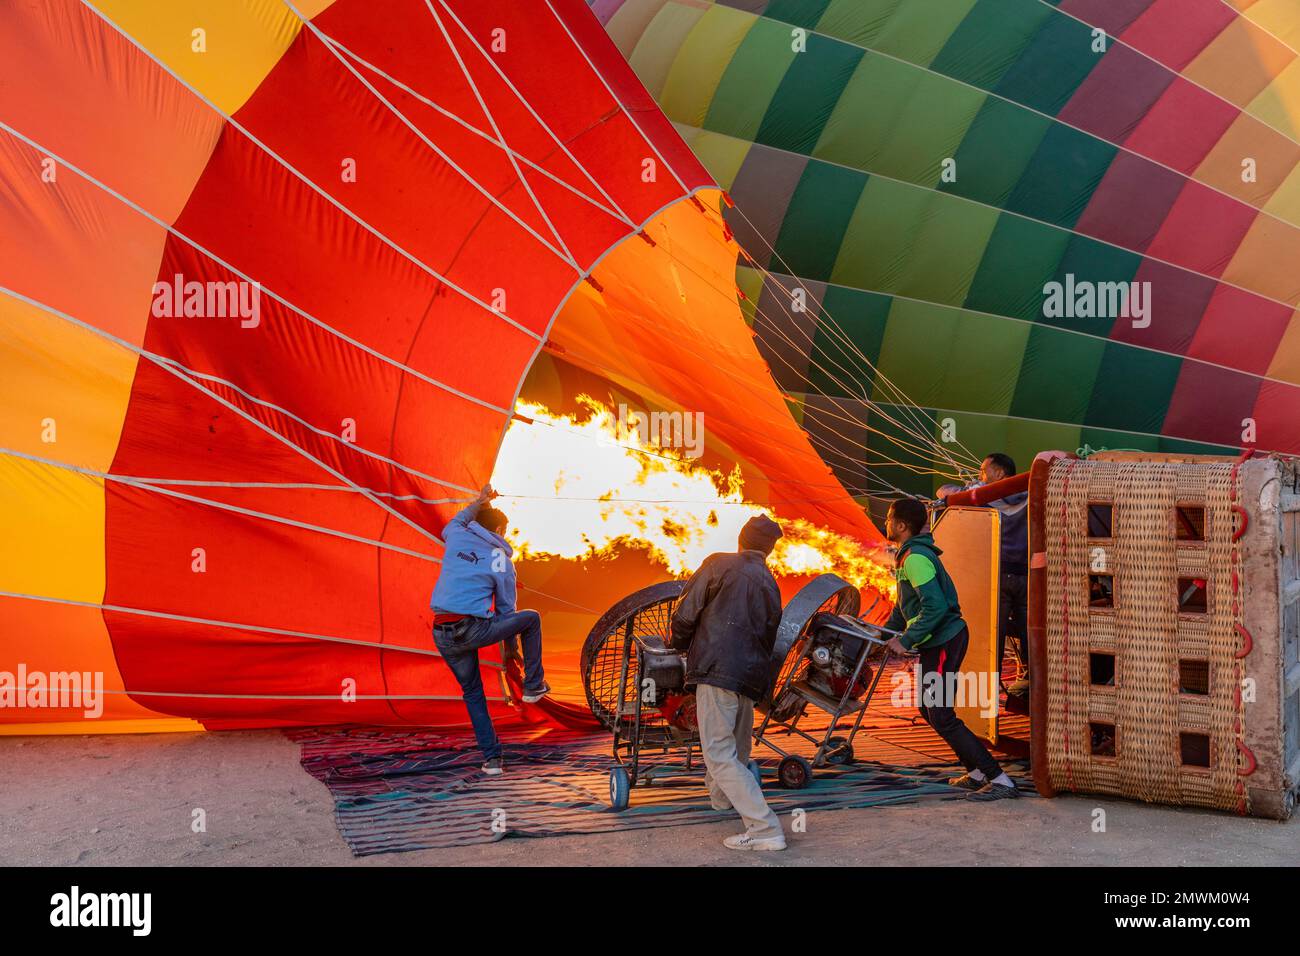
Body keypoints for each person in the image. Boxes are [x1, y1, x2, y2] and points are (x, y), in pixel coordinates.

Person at [882, 497, 1019, 801]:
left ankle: (999, 779)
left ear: (902, 526)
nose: (886, 523)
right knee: (927, 709)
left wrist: (904, 640)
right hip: (936, 641)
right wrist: (881, 633)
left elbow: (936, 607)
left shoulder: (915, 557)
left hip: (944, 641)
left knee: (941, 715)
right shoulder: (907, 556)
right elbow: (903, 608)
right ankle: (976, 773)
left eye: (890, 518)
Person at [670, 514, 787, 850]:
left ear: (740, 539)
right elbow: (770, 636)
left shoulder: (720, 564)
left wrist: (677, 644)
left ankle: (765, 830)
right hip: (750, 679)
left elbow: (686, 612)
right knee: (736, 750)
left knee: (719, 754)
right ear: (771, 549)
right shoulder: (770, 582)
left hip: (718, 671)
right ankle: (723, 803)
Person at [429, 484, 549, 775]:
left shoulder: (456, 534)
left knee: (472, 694)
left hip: (442, 633)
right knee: (531, 618)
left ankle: (492, 760)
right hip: (472, 629)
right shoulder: (502, 562)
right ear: (499, 530)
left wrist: (480, 501)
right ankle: (534, 685)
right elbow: (508, 612)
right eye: (505, 531)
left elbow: (459, 519)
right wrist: (512, 653)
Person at [938, 453, 1030, 698]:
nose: (980, 476)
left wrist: (973, 487)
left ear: (999, 474)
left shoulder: (984, 497)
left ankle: (986, 695)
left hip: (997, 576)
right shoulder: (1033, 495)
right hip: (1027, 578)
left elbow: (945, 492)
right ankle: (1031, 688)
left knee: (992, 637)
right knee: (1028, 634)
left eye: (983, 471)